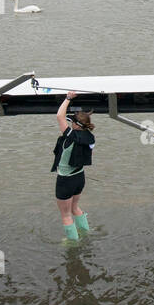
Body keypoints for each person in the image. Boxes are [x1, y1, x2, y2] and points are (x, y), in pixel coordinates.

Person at [53, 92, 95, 240]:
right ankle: (85, 232)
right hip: (79, 177)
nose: (70, 123)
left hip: (66, 179)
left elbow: (59, 116)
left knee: (65, 214)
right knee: (74, 207)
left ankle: (73, 242)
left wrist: (68, 98)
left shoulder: (71, 135)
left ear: (77, 125)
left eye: (72, 122)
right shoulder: (89, 137)